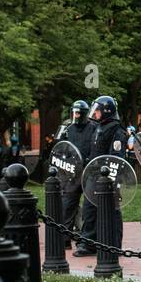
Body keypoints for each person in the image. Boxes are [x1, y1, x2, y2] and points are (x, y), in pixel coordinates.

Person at [74, 96, 127, 256]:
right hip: (93, 175)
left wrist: (110, 178)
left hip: (107, 178)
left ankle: (114, 245)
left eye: (97, 110)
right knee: (89, 210)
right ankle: (89, 243)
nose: (94, 113)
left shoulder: (117, 130)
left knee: (112, 210)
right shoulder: (98, 127)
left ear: (106, 111)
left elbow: (116, 157)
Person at [60, 100, 93, 233]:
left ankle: (85, 237)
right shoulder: (68, 129)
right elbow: (61, 149)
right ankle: (66, 237)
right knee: (68, 204)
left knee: (88, 206)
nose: (76, 116)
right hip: (72, 173)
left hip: (87, 171)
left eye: (79, 113)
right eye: (74, 113)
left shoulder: (94, 128)